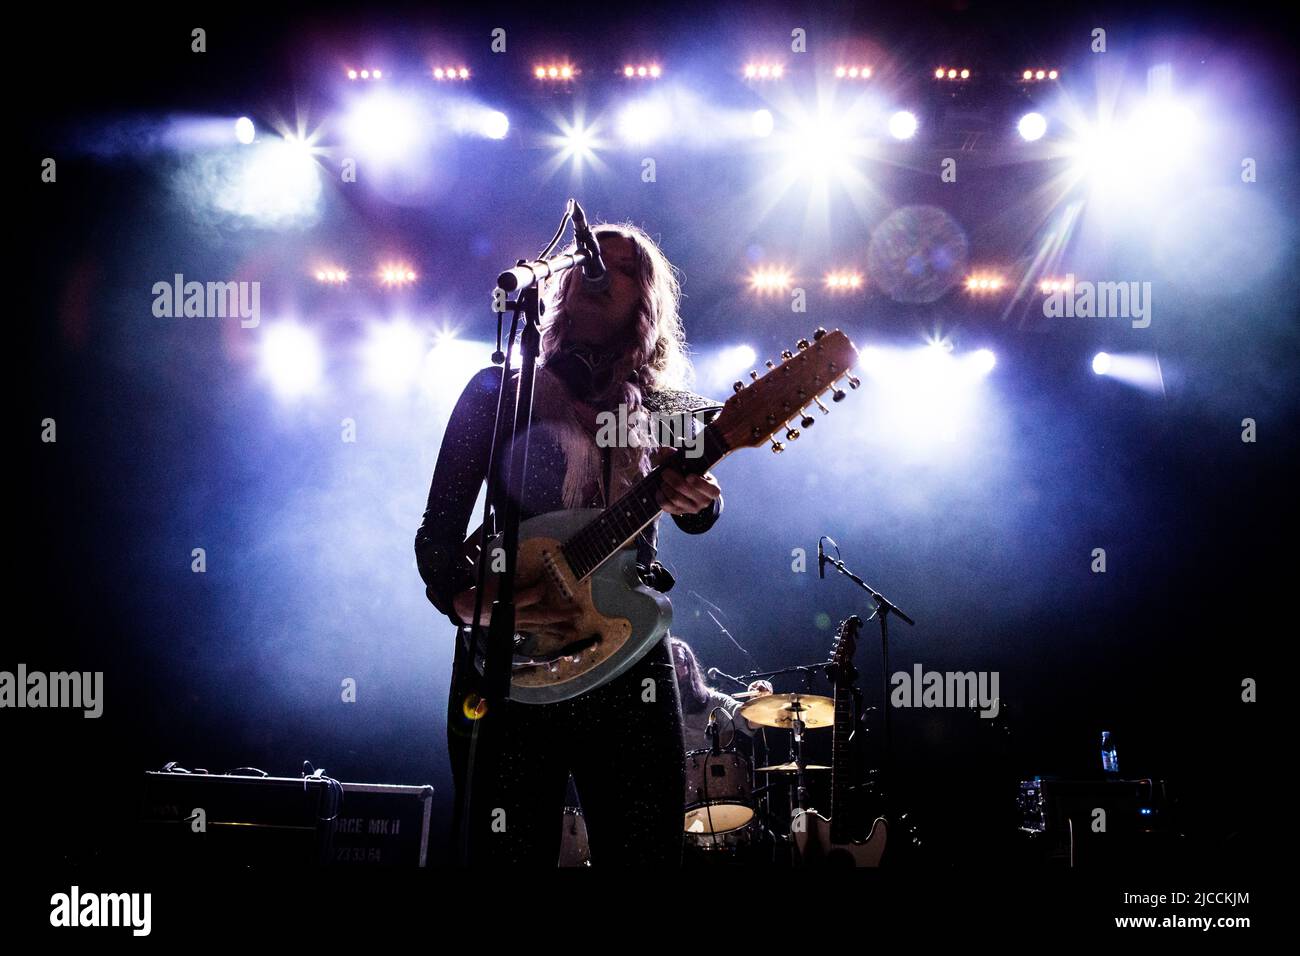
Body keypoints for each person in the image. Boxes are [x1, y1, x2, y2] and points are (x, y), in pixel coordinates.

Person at [415, 222, 725, 865]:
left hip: (625, 656)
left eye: (621, 267)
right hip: (509, 659)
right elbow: (438, 533)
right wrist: (462, 600)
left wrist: (703, 500)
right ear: (557, 286)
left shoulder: (669, 406)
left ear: (646, 300)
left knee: (645, 854)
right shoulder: (498, 392)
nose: (598, 270)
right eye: (589, 260)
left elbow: (695, 514)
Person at [670, 637, 772, 753]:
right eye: (667, 663)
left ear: (689, 666)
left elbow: (750, 721)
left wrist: (761, 700)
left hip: (702, 769)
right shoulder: (651, 700)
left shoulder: (714, 701)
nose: (671, 667)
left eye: (677, 661)